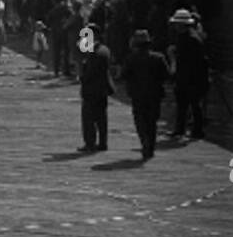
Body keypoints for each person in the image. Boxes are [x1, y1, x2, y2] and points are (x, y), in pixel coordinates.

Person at [120, 29, 170, 160]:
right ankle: (151, 146)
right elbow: (166, 75)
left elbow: (123, 75)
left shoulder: (131, 58)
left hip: (137, 94)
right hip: (155, 94)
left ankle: (145, 142)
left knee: (140, 120)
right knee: (152, 122)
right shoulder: (158, 58)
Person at [168, 9, 209, 141]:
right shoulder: (185, 37)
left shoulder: (192, 39)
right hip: (185, 75)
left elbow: (194, 60)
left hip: (191, 76)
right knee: (183, 104)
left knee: (193, 104)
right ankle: (181, 129)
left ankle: (196, 130)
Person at [77, 24, 113, 152]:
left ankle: (90, 143)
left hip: (92, 89)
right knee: (101, 118)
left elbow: (90, 72)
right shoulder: (104, 49)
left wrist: (82, 78)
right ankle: (102, 143)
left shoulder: (94, 51)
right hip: (102, 89)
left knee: (89, 118)